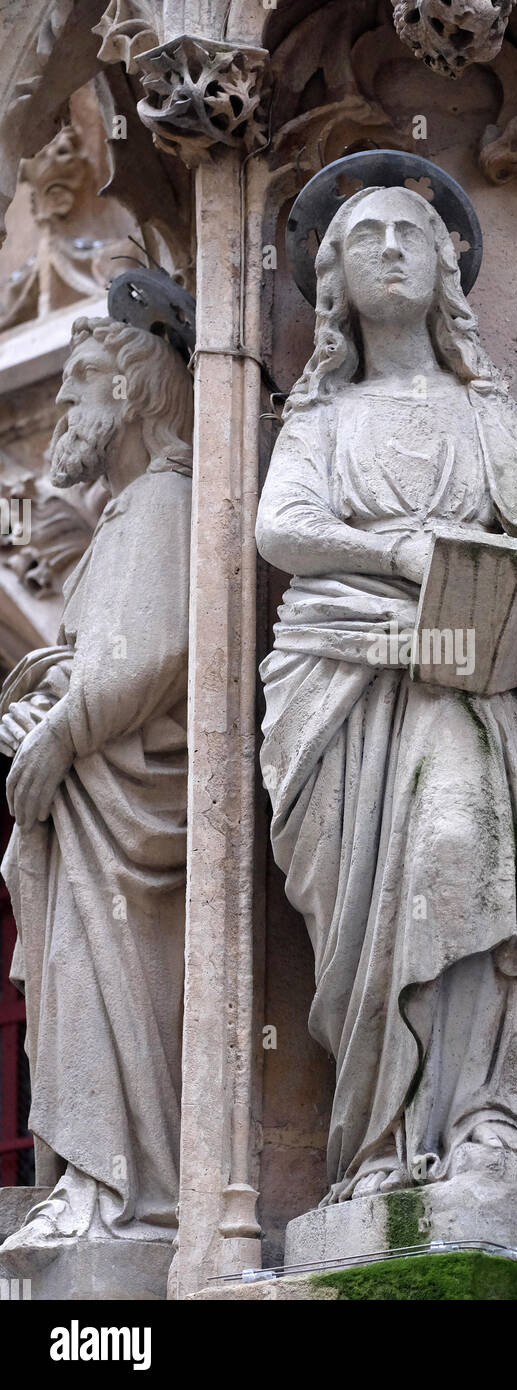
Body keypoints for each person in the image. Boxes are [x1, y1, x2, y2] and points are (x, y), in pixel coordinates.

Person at [257, 185, 517, 1205]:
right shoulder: (323, 417)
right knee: (373, 905)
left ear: (444, 269)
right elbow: (280, 529)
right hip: (342, 689)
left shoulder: (491, 419)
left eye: (410, 235)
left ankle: (485, 1117)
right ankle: (379, 1140)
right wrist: (398, 550)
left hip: (471, 684)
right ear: (330, 277)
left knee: (462, 846)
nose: (389, 251)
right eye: (364, 237)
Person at [0, 315, 193, 1267]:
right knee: (76, 988)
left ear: (132, 391)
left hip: (129, 821)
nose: (66, 404)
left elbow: (153, 652)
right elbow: (91, 661)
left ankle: (124, 1195)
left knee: (99, 983)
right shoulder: (125, 515)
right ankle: (95, 1185)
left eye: (79, 381)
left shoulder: (163, 503)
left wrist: (62, 731)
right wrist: (40, 707)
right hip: (93, 815)